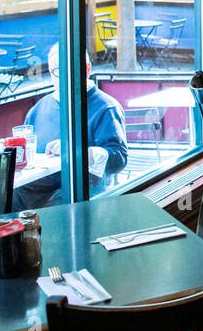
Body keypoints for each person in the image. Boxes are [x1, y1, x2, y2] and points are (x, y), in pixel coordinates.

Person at [12, 43, 128, 211]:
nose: (64, 77)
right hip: (30, 190)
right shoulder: (39, 108)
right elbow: (24, 152)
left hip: (78, 193)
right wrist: (6, 149)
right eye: (57, 71)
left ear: (86, 70)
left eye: (71, 69)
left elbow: (119, 159)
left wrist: (75, 151)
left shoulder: (106, 107)